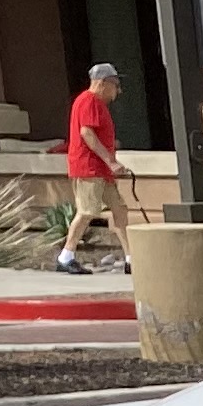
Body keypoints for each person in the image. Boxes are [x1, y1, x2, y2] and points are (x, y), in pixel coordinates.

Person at [57, 62, 129, 272]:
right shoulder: (88, 101)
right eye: (115, 84)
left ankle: (131, 259)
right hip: (88, 168)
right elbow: (86, 134)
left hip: (101, 170)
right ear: (102, 83)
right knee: (87, 211)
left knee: (120, 210)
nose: (118, 90)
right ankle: (65, 257)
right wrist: (111, 161)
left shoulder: (97, 104)